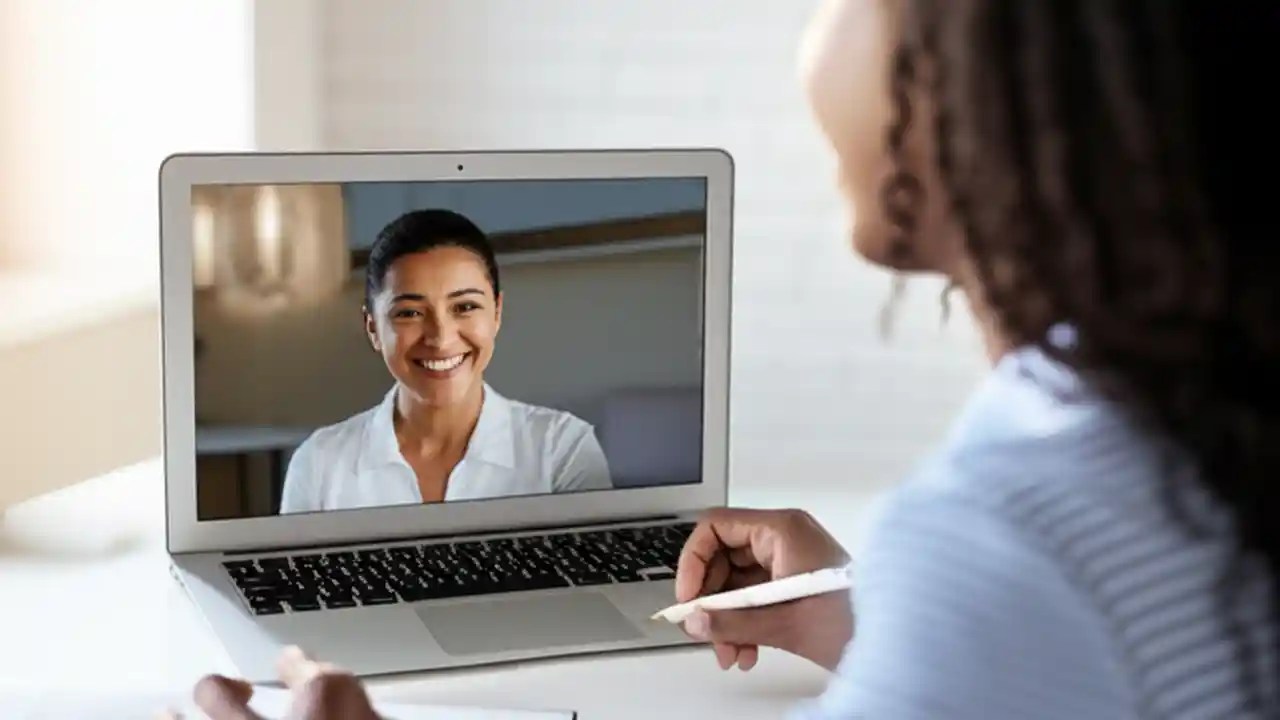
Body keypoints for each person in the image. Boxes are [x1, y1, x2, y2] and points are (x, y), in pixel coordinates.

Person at [193, 0, 1279, 717]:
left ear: (984, 84)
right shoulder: (1187, 416)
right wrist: (879, 623)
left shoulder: (1012, 536)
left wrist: (947, 607)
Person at [279, 208, 612, 514]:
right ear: (373, 329)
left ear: (496, 313)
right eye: (410, 313)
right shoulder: (319, 464)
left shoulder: (562, 451)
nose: (440, 338)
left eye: (465, 307)